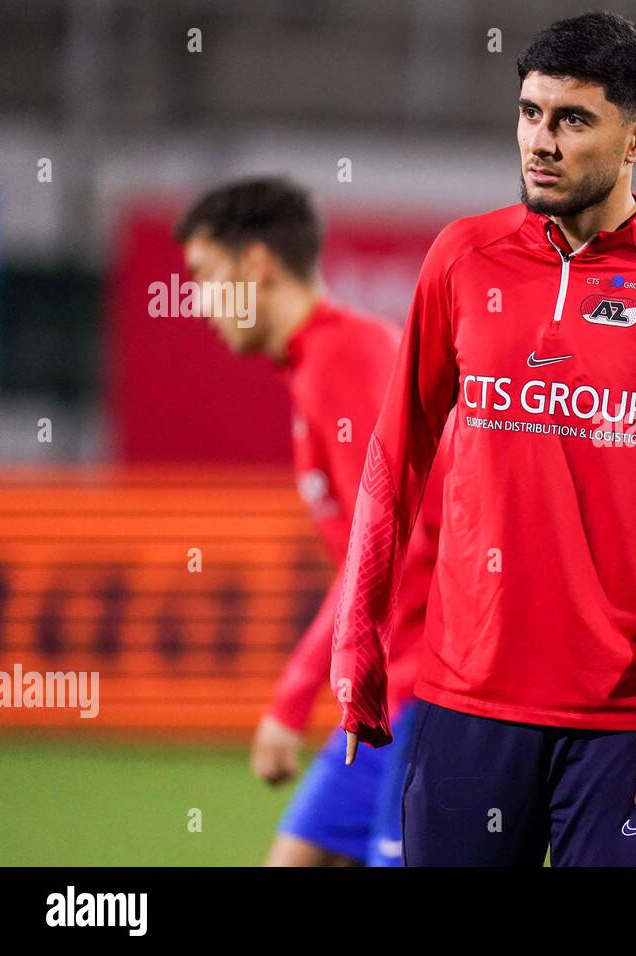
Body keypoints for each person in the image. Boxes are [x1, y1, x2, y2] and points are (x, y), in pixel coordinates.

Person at [331, 11, 636, 868]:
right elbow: (396, 459)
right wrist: (362, 634)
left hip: (626, 722)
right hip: (467, 705)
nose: (542, 140)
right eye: (531, 113)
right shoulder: (463, 259)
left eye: (573, 119)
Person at [174, 176, 438, 866]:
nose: (198, 303)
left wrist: (293, 697)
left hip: (433, 690)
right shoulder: (320, 362)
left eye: (203, 275)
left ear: (255, 264)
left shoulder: (343, 361)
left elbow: (389, 547)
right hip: (401, 687)